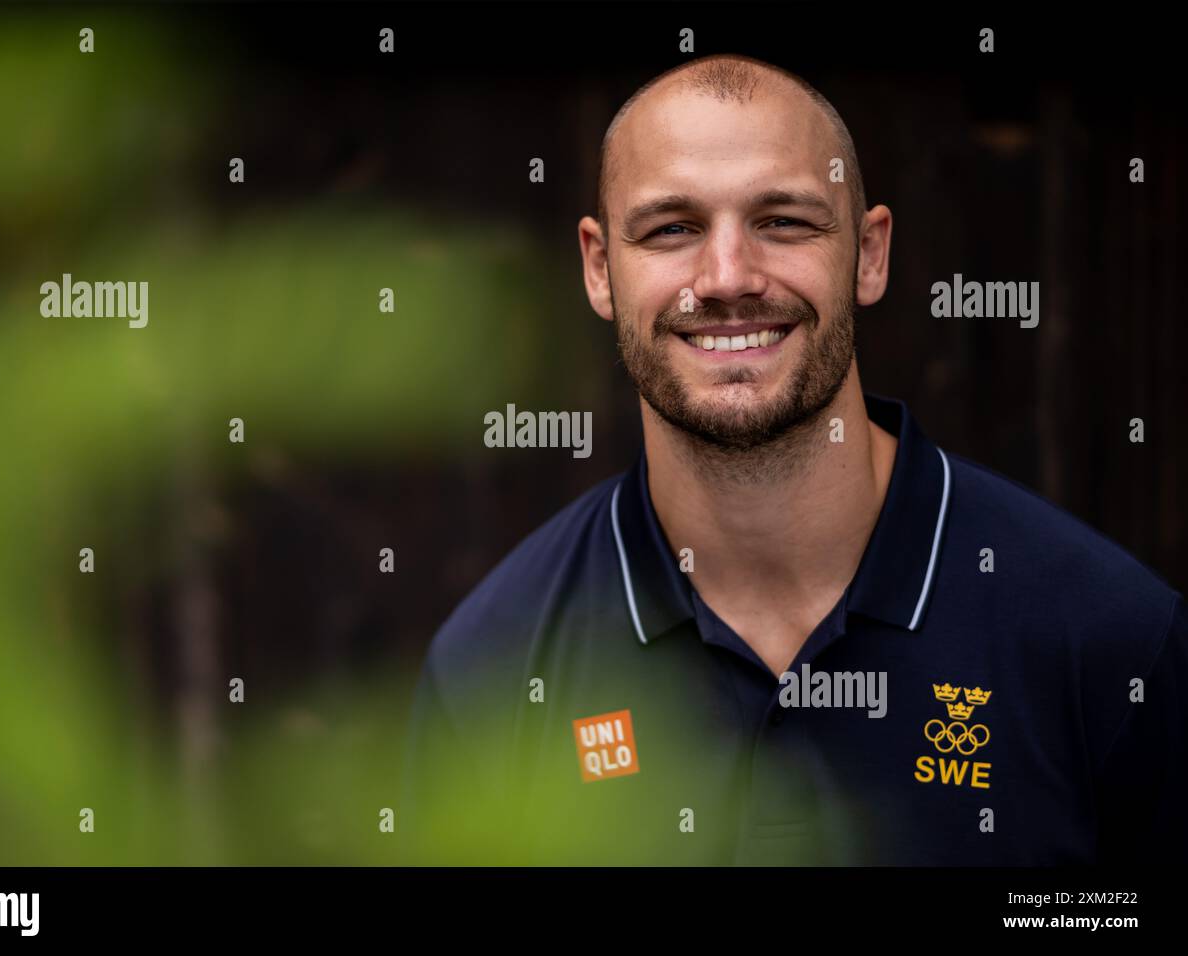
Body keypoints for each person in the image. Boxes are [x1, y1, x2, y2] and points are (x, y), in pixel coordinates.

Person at [400, 53, 1187, 865]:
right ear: (601, 269)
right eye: (672, 228)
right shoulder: (493, 670)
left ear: (870, 254)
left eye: (784, 221)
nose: (727, 278)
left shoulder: (1108, 639)